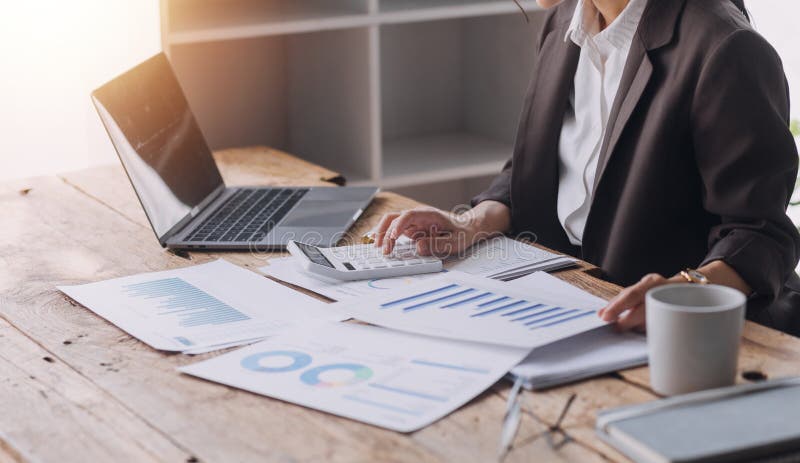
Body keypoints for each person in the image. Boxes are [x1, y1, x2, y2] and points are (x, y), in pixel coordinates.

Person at [374, 0, 800, 335]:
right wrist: (471, 222)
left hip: (687, 338)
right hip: (571, 305)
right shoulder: (564, 21)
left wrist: (686, 293)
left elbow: (761, 234)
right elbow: (539, 167)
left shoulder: (727, 48)